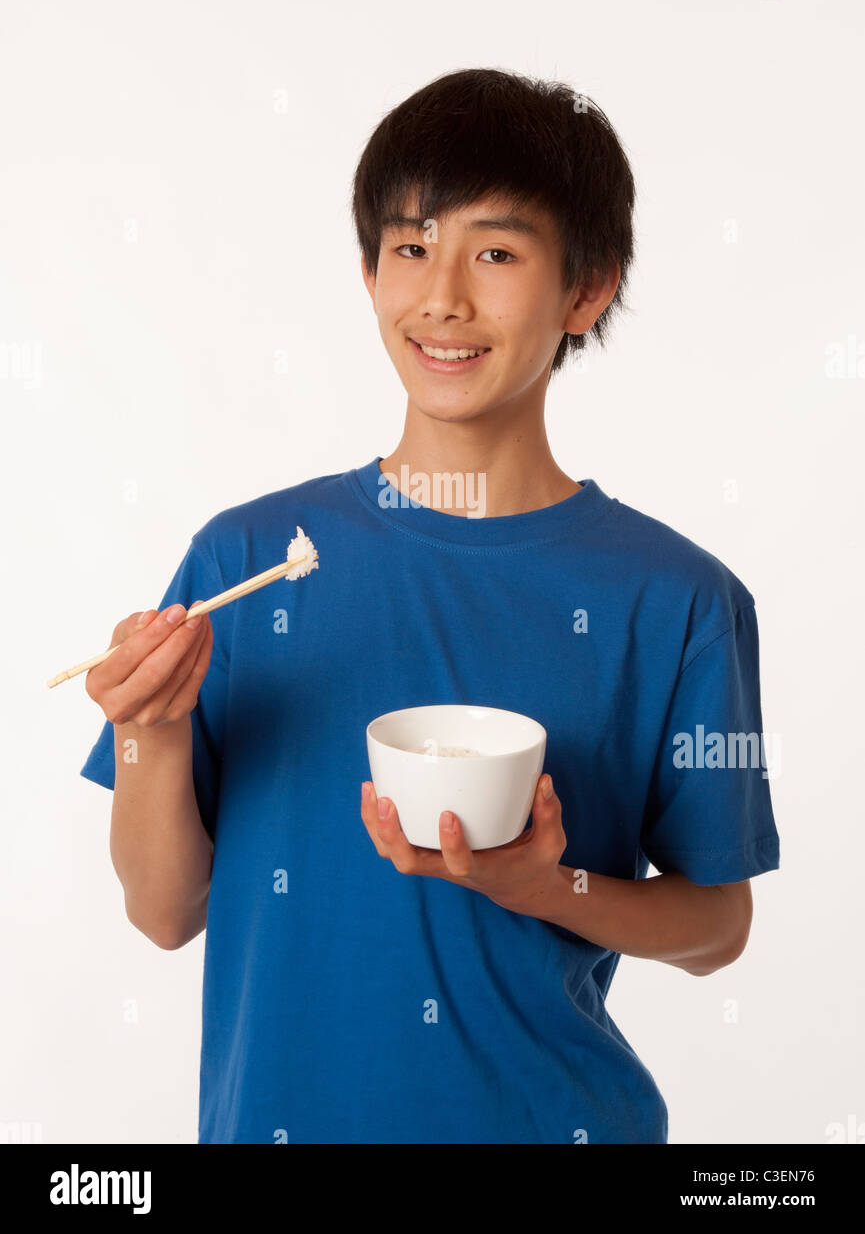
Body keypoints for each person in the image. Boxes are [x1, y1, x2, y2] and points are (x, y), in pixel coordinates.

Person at [80, 67, 780, 1144]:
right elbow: (164, 912)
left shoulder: (678, 599)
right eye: (410, 246)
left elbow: (715, 925)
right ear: (367, 272)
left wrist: (548, 886)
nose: (442, 295)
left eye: (496, 253)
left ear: (586, 289)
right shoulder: (246, 558)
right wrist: (147, 729)